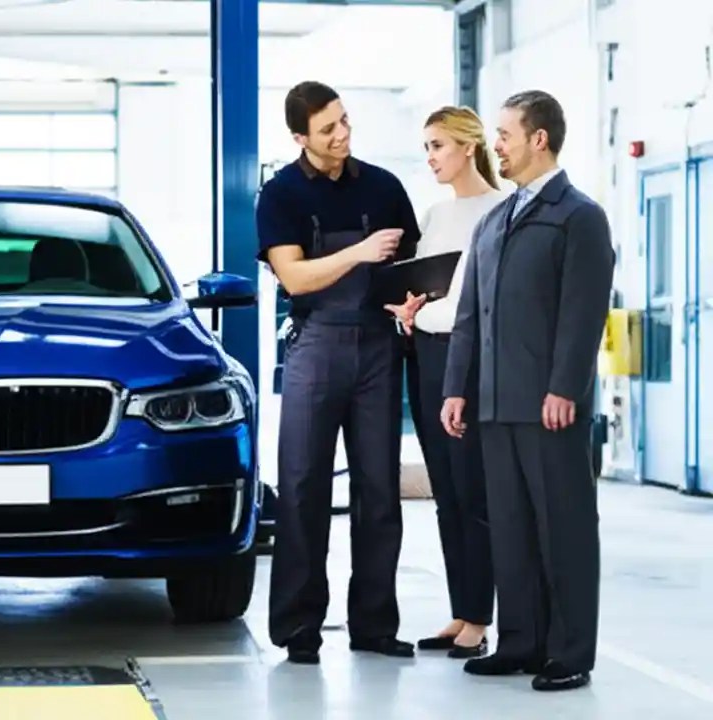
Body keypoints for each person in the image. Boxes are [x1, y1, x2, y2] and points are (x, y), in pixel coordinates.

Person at [440, 90, 614, 691]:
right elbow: (471, 312)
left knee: (563, 527)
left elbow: (584, 311)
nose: (497, 147)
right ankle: (521, 641)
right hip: (493, 403)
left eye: (505, 135)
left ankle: (569, 652)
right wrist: (456, 388)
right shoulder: (497, 218)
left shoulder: (579, 216)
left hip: (549, 407)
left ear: (539, 138)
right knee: (510, 529)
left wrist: (566, 386)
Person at [256, 80, 421, 665]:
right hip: (316, 347)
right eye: (328, 129)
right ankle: (299, 627)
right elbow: (295, 279)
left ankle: (375, 625)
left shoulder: (384, 186)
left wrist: (413, 301)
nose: (343, 135)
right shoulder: (280, 195)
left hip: (379, 348)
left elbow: (411, 269)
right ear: (300, 137)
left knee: (380, 490)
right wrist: (358, 251)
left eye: (345, 121)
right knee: (303, 489)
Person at [386, 106, 505, 659]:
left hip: (470, 359)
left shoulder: (503, 210)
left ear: (467, 146)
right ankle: (462, 611)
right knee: (444, 494)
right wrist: (408, 312)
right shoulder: (435, 216)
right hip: (425, 355)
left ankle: (481, 616)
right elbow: (430, 290)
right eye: (426, 147)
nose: (430, 158)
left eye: (437, 145)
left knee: (473, 488)